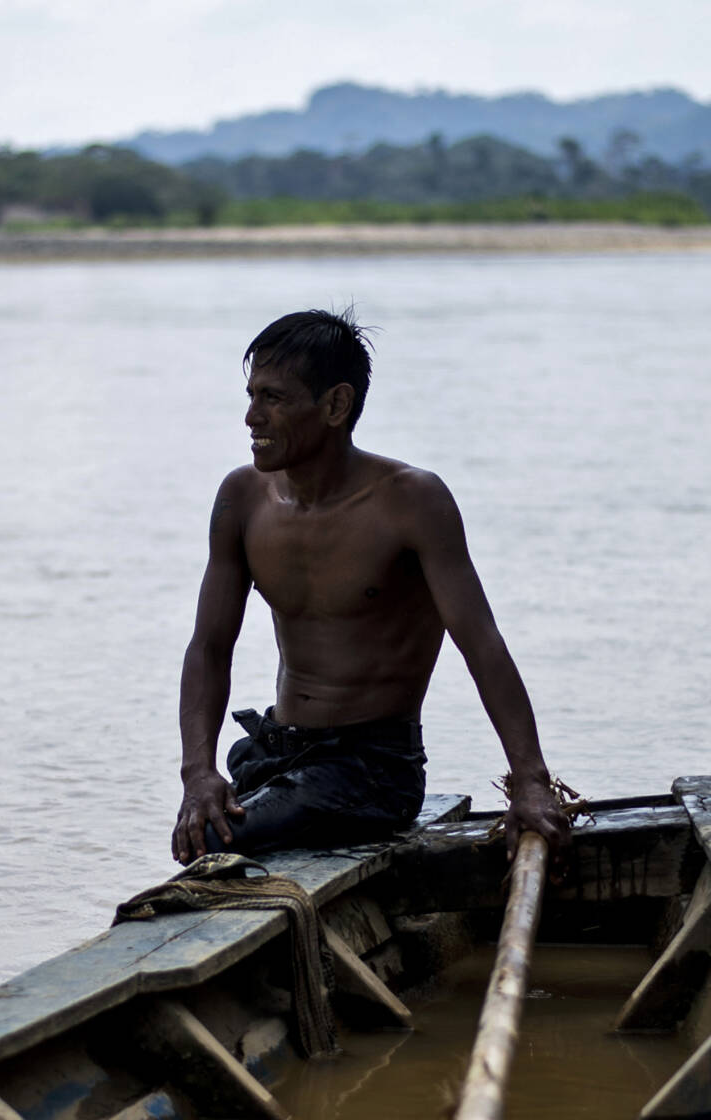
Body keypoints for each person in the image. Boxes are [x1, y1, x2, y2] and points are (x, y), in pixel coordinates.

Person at [173, 308, 569, 863]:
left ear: (336, 405)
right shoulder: (242, 498)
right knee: (198, 825)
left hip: (371, 770)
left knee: (215, 841)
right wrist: (198, 772)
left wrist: (530, 782)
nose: (250, 417)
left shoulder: (410, 502)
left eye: (274, 399)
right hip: (274, 750)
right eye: (251, 394)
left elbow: (482, 644)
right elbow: (209, 648)